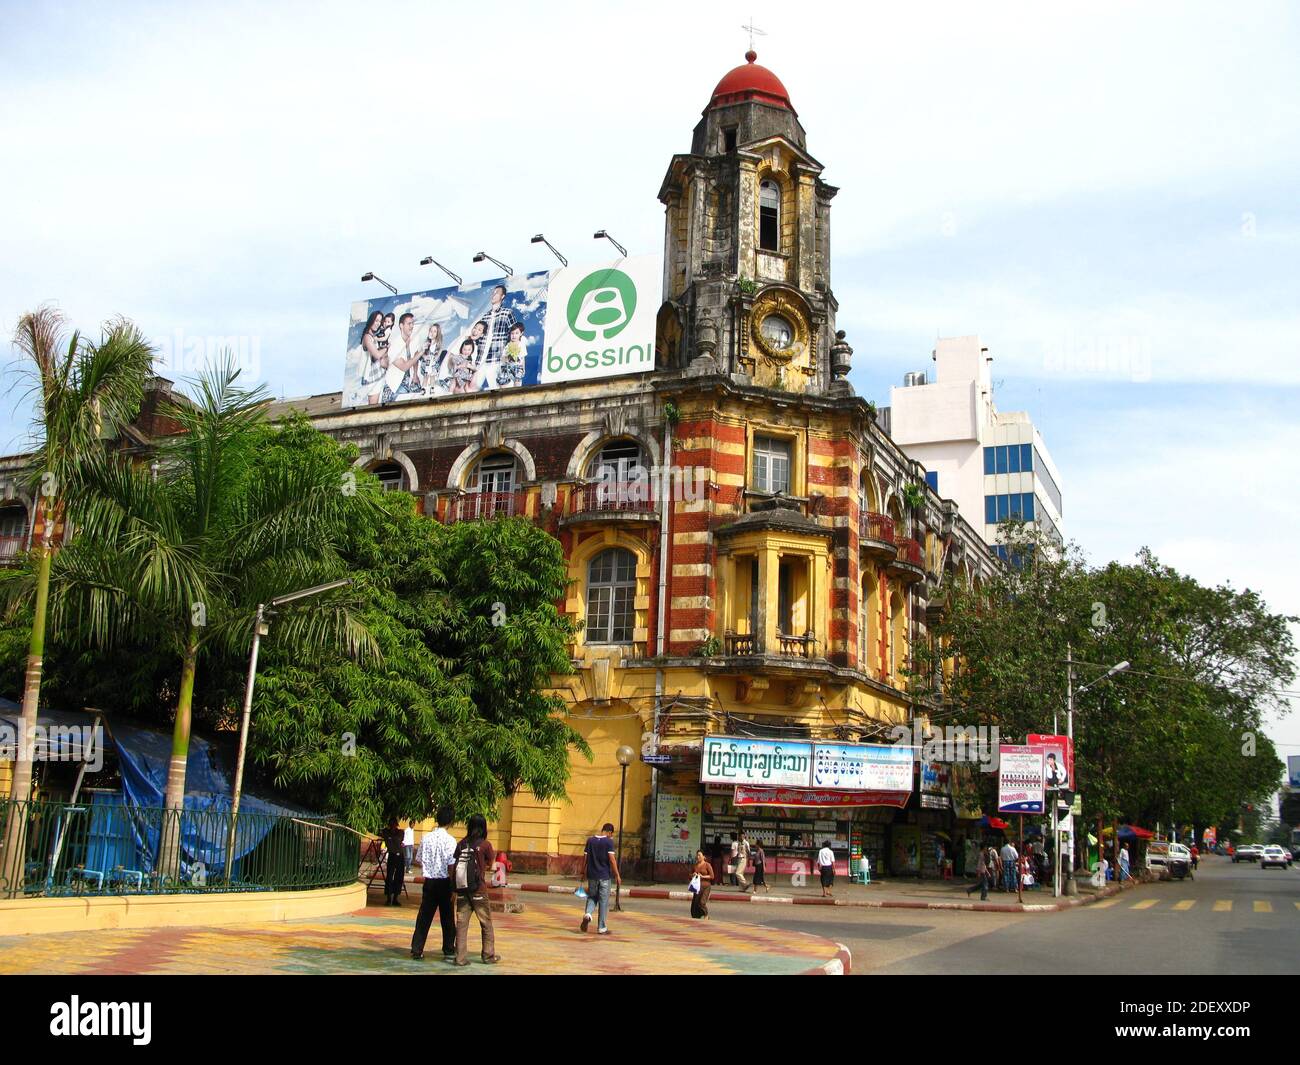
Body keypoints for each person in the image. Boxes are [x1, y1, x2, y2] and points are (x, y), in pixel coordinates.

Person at [450, 814, 500, 966]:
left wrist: (454, 890)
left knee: (461, 924)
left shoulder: (461, 844)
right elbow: (493, 867)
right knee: (486, 923)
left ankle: (460, 958)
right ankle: (488, 955)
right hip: (478, 890)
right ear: (483, 827)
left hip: (462, 890)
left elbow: (453, 867)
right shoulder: (485, 845)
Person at [410, 806, 458, 960]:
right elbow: (451, 865)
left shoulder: (426, 837)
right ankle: (449, 948)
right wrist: (453, 886)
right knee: (447, 918)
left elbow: (418, 860)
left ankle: (417, 948)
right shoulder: (450, 840)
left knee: (424, 916)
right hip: (445, 882)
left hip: (429, 882)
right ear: (450, 822)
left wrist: (430, 866)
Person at [579, 822, 622, 934]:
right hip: (604, 877)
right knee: (603, 901)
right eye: (611, 834)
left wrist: (582, 872)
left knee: (592, 897)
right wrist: (617, 875)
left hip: (592, 875)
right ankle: (601, 927)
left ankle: (587, 914)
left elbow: (585, 858)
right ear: (609, 832)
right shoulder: (608, 842)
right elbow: (612, 860)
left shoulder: (590, 841)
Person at [379, 816, 405, 906]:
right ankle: (389, 898)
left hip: (400, 856)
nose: (393, 827)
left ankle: (395, 898)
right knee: (389, 877)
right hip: (392, 855)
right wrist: (389, 834)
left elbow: (398, 840)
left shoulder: (401, 832)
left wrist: (390, 836)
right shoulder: (386, 832)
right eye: (391, 825)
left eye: (394, 825)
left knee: (399, 877)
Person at [496, 322, 527, 387]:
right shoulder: (507, 345)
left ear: (521, 333)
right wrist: (507, 358)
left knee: (518, 379)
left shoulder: (521, 345)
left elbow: (523, 358)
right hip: (507, 366)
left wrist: (523, 369)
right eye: (512, 333)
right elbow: (503, 358)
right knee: (502, 381)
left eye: (516, 333)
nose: (514, 335)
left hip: (517, 366)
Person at [690, 850, 714, 919]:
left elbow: (712, 876)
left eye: (699, 855)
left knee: (702, 902)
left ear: (704, 857)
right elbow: (690, 875)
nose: (698, 857)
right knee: (695, 904)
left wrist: (703, 876)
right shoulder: (695, 865)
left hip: (706, 886)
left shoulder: (707, 865)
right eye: (697, 855)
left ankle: (706, 915)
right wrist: (693, 875)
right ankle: (697, 916)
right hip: (697, 887)